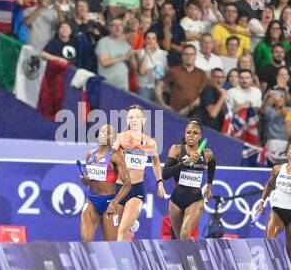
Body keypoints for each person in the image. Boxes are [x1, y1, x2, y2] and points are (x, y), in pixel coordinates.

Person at [107, 104, 165, 241]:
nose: (134, 120)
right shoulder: (120, 138)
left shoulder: (150, 142)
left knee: (122, 230)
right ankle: (132, 222)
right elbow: (109, 157)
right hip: (118, 189)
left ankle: (120, 261)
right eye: (131, 117)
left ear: (143, 120)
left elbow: (156, 162)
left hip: (136, 190)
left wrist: (160, 183)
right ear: (127, 120)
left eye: (137, 117)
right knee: (113, 232)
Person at [253, 139, 291, 261]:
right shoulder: (277, 169)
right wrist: (262, 202)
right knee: (269, 244)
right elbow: (269, 184)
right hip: (277, 212)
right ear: (287, 153)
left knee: (290, 253)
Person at [162, 121, 216, 241]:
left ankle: (193, 260)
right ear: (185, 134)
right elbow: (165, 174)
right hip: (176, 200)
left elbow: (212, 165)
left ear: (200, 136)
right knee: (178, 240)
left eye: (195, 133)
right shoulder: (176, 150)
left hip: (195, 200)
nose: (191, 135)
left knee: (185, 234)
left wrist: (209, 185)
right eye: (188, 132)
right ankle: (188, 258)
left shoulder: (207, 153)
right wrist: (184, 162)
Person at [79, 123, 128, 242]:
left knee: (110, 244)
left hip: (109, 202)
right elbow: (87, 181)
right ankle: (89, 260)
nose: (105, 135)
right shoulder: (90, 155)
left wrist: (115, 202)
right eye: (102, 132)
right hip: (91, 200)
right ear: (98, 135)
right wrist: (84, 180)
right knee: (85, 241)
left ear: (113, 138)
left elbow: (128, 183)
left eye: (109, 133)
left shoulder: (116, 157)